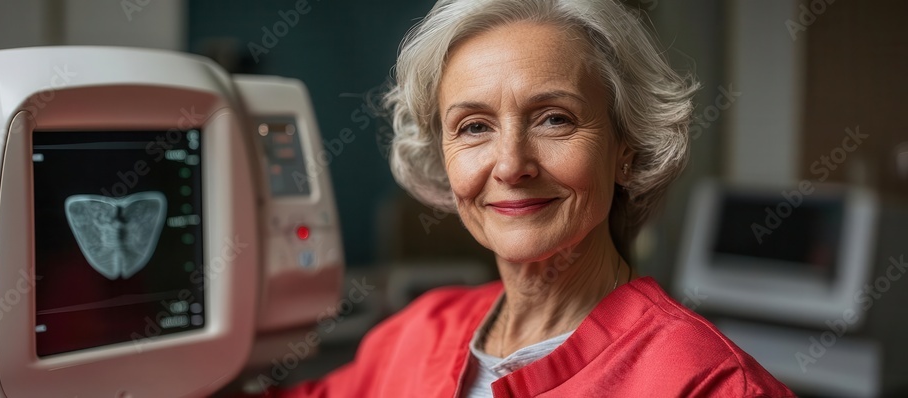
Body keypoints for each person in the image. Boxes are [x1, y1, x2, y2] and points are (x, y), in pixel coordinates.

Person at [249, 0, 795, 396]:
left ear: (626, 147)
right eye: (473, 127)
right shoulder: (417, 333)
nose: (510, 164)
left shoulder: (708, 384)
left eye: (555, 119)